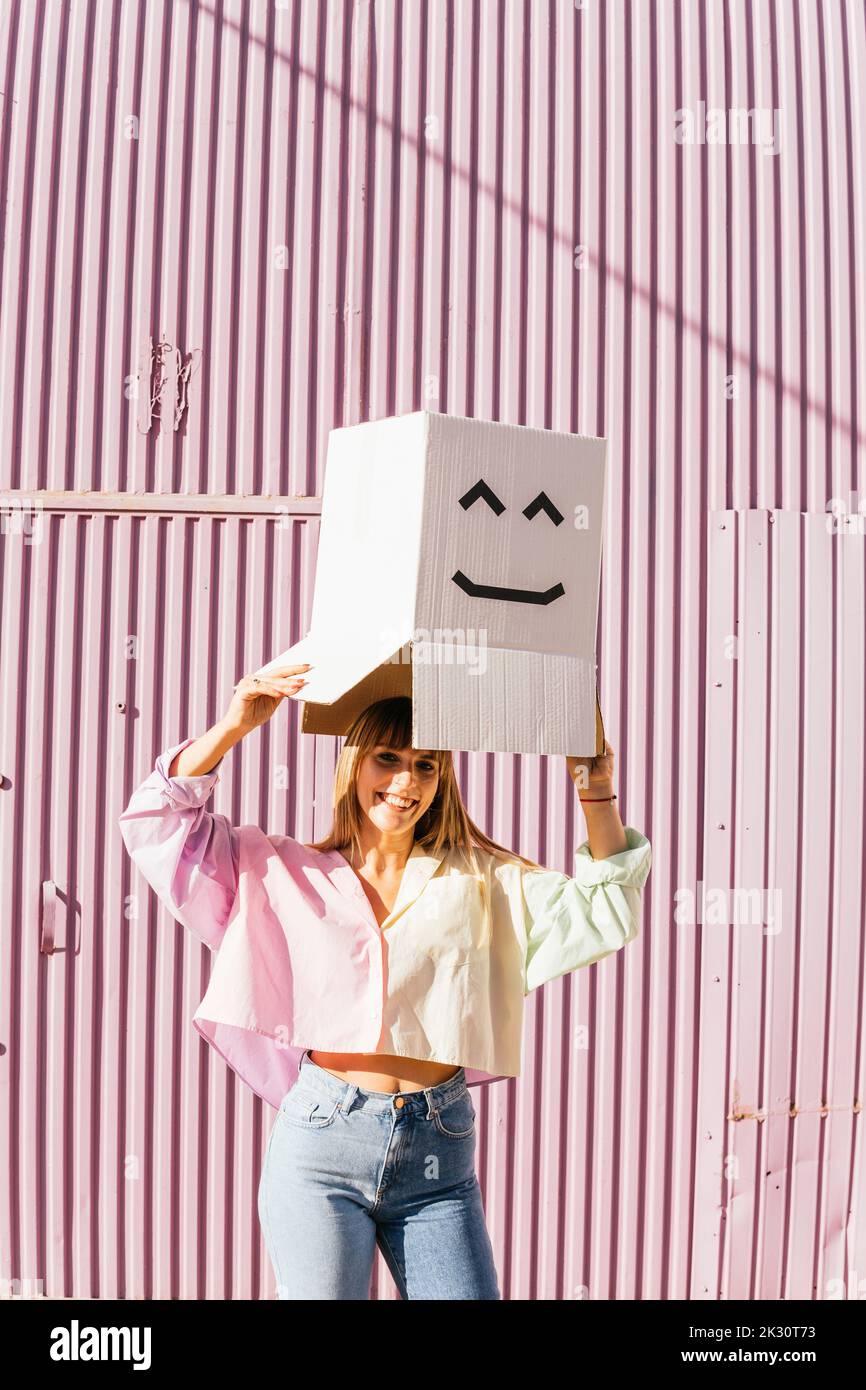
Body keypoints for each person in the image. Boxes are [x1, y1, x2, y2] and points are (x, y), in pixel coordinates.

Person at [118, 662, 652, 1299]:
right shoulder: (284, 868)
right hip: (321, 1147)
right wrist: (234, 726)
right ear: (354, 765)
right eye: (388, 758)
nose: (406, 781)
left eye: (426, 765)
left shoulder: (482, 878)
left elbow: (607, 912)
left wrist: (596, 787)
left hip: (439, 1151)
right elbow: (158, 822)